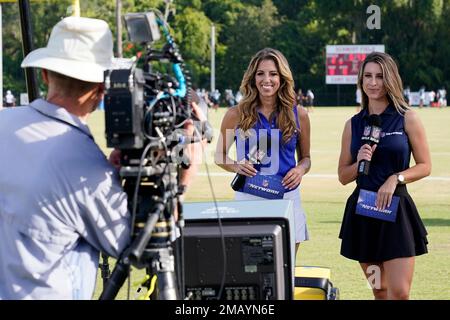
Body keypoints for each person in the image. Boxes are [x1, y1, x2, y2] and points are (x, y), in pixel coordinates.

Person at [0, 17, 132, 299]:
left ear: (45, 74)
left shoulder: (4, 121)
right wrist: (186, 169)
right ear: (101, 89)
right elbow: (131, 246)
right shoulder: (85, 164)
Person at [338, 52, 431, 300]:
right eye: (367, 76)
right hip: (364, 212)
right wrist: (359, 160)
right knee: (380, 291)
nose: (373, 82)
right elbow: (343, 176)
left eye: (379, 76)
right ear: (361, 80)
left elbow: (424, 166)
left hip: (396, 211)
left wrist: (396, 178)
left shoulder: (407, 118)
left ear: (390, 79)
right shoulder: (353, 124)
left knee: (399, 293)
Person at [215, 48, 311, 255]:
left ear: (282, 78)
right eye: (260, 73)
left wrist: (301, 170)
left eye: (273, 74)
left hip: (287, 196)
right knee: (250, 270)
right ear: (252, 77)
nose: (266, 79)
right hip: (249, 197)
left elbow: (306, 158)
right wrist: (235, 166)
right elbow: (219, 155)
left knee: (285, 272)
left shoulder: (299, 114)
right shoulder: (235, 114)